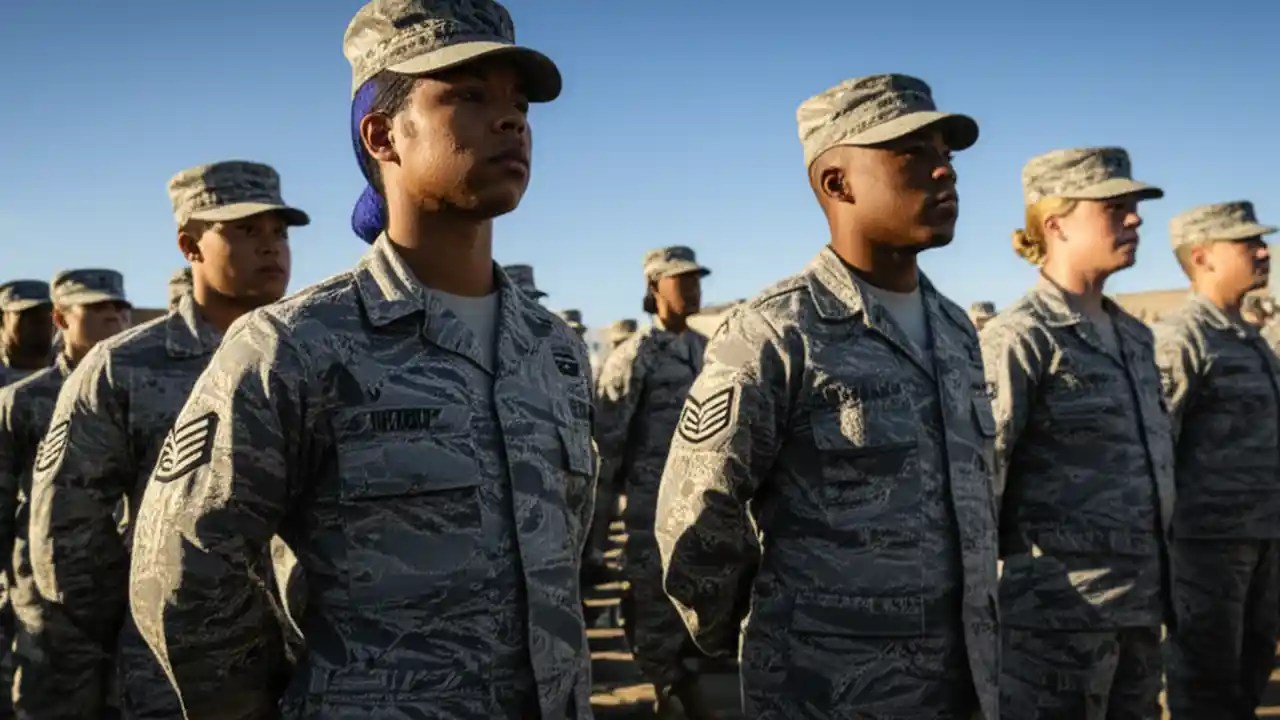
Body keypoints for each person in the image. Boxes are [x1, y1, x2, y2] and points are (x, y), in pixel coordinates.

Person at [127, 1, 595, 717]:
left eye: (519, 103)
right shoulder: (295, 345)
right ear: (382, 135)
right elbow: (183, 571)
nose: (512, 122)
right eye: (468, 97)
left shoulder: (554, 349)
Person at [655, 74, 999, 718]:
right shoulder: (776, 330)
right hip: (827, 690)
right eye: (913, 153)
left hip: (966, 682)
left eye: (946, 155)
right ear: (836, 183)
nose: (944, 172)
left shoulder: (956, 330)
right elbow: (696, 515)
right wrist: (765, 637)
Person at [27, 160, 308, 718]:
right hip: (176, 676)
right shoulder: (122, 367)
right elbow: (65, 531)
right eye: (244, 231)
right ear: (190, 245)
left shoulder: (311, 353)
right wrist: (144, 622)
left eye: (278, 231)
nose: (270, 247)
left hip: (313, 661)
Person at [980, 147, 1173, 718]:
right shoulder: (1021, 338)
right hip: (1053, 619)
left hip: (1140, 605)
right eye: (1114, 207)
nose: (1134, 219)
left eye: (1134, 207)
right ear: (1056, 223)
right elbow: (981, 474)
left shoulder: (1134, 336)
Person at [1154, 201, 1280, 718]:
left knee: (1250, 674)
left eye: (1262, 240)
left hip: (1264, 538)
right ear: (1203, 257)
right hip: (1206, 548)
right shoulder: (1181, 338)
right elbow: (1159, 446)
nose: (1264, 250)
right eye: (1247, 243)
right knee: (1206, 686)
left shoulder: (1248, 336)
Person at [0, 269, 131, 719]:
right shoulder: (24, 401)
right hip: (47, 602)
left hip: (126, 594)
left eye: (118, 308)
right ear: (62, 318)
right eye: (95, 310)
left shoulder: (136, 388)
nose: (112, 318)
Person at [594, 246, 711, 717]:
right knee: (654, 592)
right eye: (682, 280)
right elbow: (609, 443)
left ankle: (682, 673)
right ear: (654, 288)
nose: (694, 288)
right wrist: (598, 530)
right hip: (651, 501)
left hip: (701, 502)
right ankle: (665, 682)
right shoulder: (635, 356)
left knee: (696, 593)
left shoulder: (707, 351)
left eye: (696, 279)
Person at [0, 282, 52, 388]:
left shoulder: (73, 378)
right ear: (2, 321)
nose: (40, 319)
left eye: (46, 311)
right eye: (26, 313)